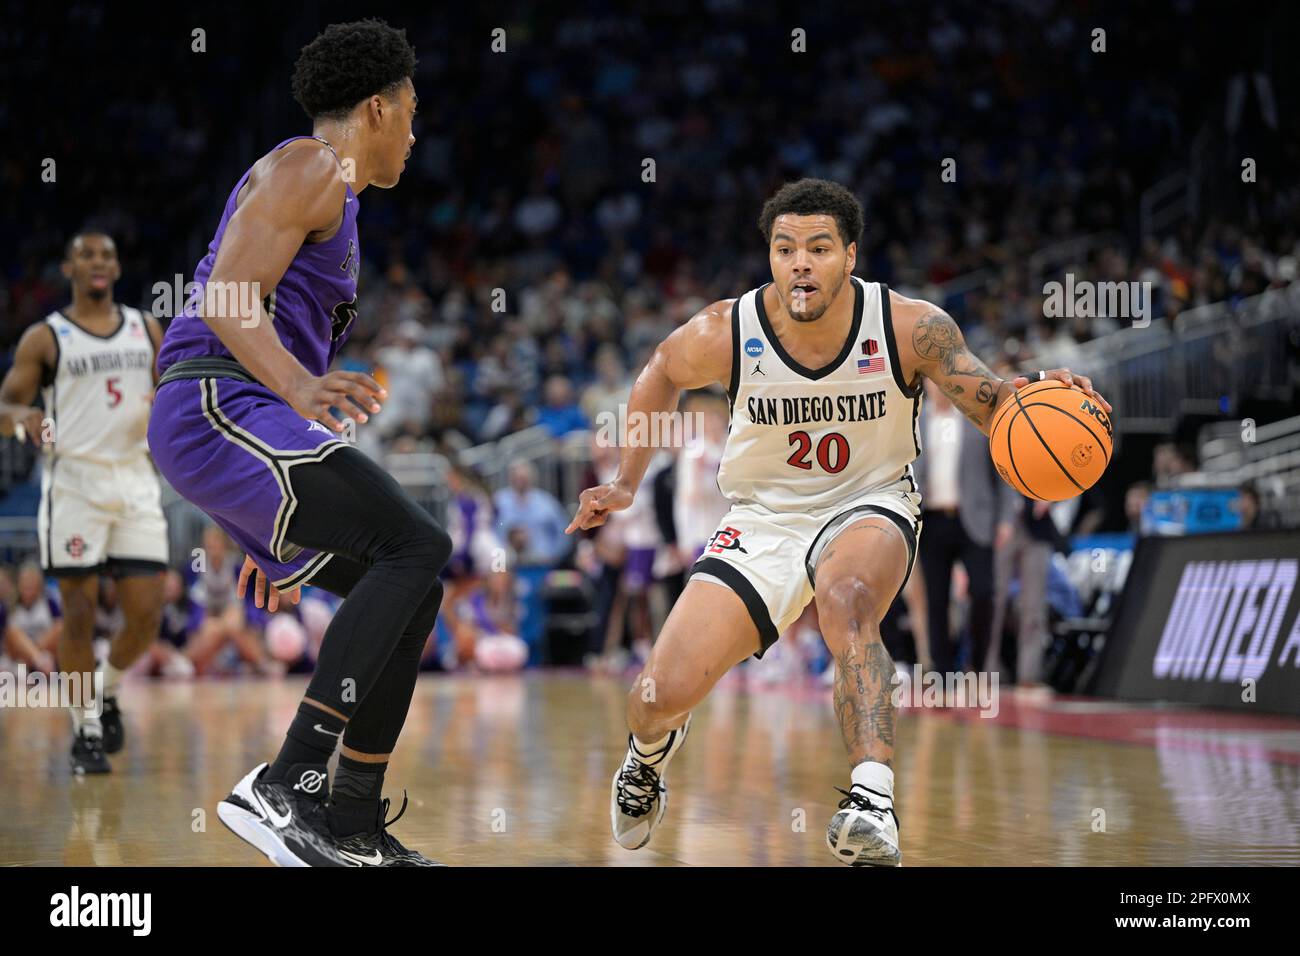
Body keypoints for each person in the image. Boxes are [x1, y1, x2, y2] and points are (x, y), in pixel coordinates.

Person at [566, 178, 1111, 866]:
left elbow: (997, 404)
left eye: (818, 248)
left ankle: (871, 799)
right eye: (785, 248)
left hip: (870, 501)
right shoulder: (727, 330)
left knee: (847, 601)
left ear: (850, 255)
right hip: (763, 517)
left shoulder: (912, 327)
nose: (800, 262)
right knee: (655, 695)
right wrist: (624, 482)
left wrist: (1049, 395)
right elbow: (660, 372)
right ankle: (647, 757)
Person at [146, 20, 451, 866]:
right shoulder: (311, 165)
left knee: (414, 581)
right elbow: (227, 300)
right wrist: (296, 389)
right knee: (418, 539)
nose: (417, 134)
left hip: (238, 426)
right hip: (217, 402)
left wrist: (265, 512)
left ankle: (348, 818)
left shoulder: (334, 196)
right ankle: (287, 783)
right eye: (414, 112)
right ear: (378, 109)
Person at [0, 231, 168, 774]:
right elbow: (6, 405)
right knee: (78, 614)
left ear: (117, 268)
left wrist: (168, 401)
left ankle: (106, 687)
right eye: (87, 255)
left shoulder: (147, 327)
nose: (98, 263)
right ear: (69, 267)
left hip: (136, 478)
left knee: (145, 616)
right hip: (73, 483)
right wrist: (22, 420)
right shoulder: (46, 338)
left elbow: (175, 391)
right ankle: (86, 729)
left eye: (107, 256)